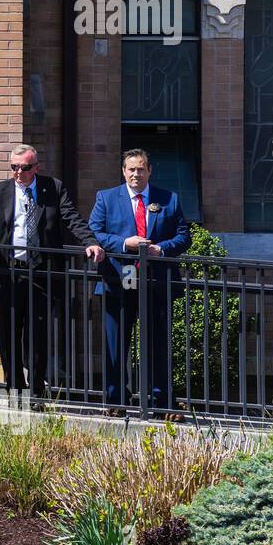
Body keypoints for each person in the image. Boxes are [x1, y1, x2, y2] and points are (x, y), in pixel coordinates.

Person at [0, 144, 104, 401]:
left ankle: (36, 392)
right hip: (7, 274)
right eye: (14, 167)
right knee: (8, 334)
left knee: (38, 335)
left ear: (36, 167)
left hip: (41, 274)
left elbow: (71, 217)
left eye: (24, 168)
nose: (18, 172)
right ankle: (15, 389)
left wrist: (90, 241)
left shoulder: (52, 188)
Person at [89, 148, 190, 415]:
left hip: (156, 282)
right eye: (131, 169)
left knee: (158, 345)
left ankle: (162, 403)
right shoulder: (106, 198)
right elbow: (95, 232)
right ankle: (116, 401)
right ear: (123, 171)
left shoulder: (169, 199)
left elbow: (184, 236)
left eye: (141, 169)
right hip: (119, 280)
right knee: (115, 344)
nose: (136, 174)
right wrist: (125, 243)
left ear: (149, 171)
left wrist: (161, 249)